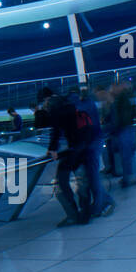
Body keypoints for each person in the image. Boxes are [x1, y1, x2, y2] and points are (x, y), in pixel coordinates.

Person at [34, 87, 91, 225]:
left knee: (61, 184)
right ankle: (85, 214)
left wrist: (52, 148)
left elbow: (56, 128)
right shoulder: (67, 102)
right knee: (82, 181)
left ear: (45, 99)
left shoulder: (54, 106)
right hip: (82, 144)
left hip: (69, 150)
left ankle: (72, 215)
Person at [75, 89, 113, 219]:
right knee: (92, 176)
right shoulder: (90, 104)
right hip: (94, 142)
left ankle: (101, 204)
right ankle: (104, 201)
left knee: (93, 177)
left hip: (91, 144)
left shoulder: (81, 107)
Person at [109, 80, 136, 188]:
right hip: (128, 127)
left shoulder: (120, 99)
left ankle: (128, 178)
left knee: (126, 156)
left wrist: (115, 128)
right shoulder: (128, 97)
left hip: (124, 129)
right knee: (129, 155)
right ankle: (131, 177)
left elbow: (118, 116)